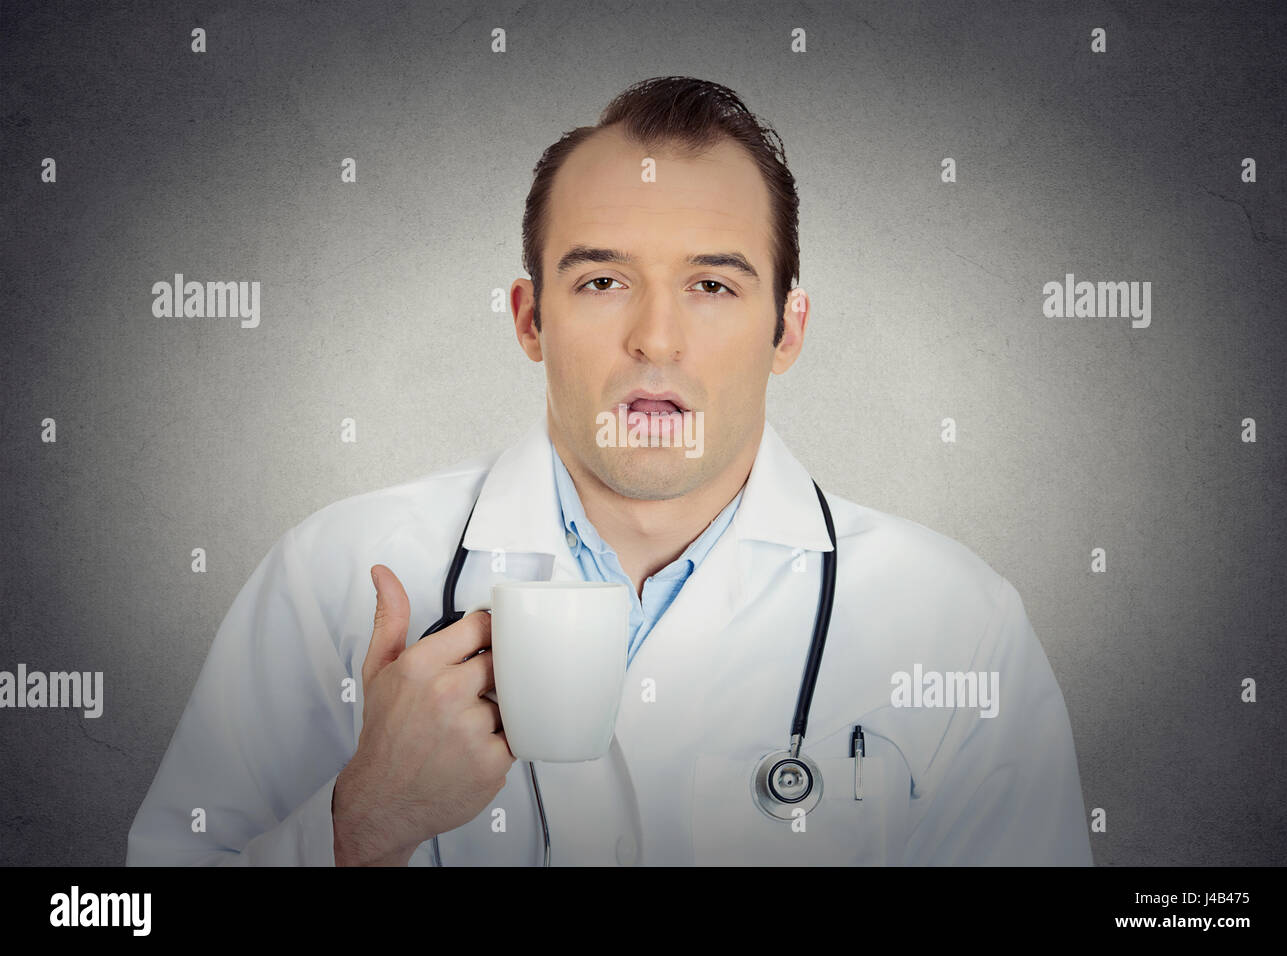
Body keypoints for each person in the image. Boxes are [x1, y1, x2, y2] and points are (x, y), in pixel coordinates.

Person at [126, 76, 1092, 866]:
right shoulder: (333, 574)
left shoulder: (958, 623)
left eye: (713, 284)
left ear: (786, 329)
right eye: (601, 281)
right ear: (530, 320)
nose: (655, 338)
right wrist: (356, 827)